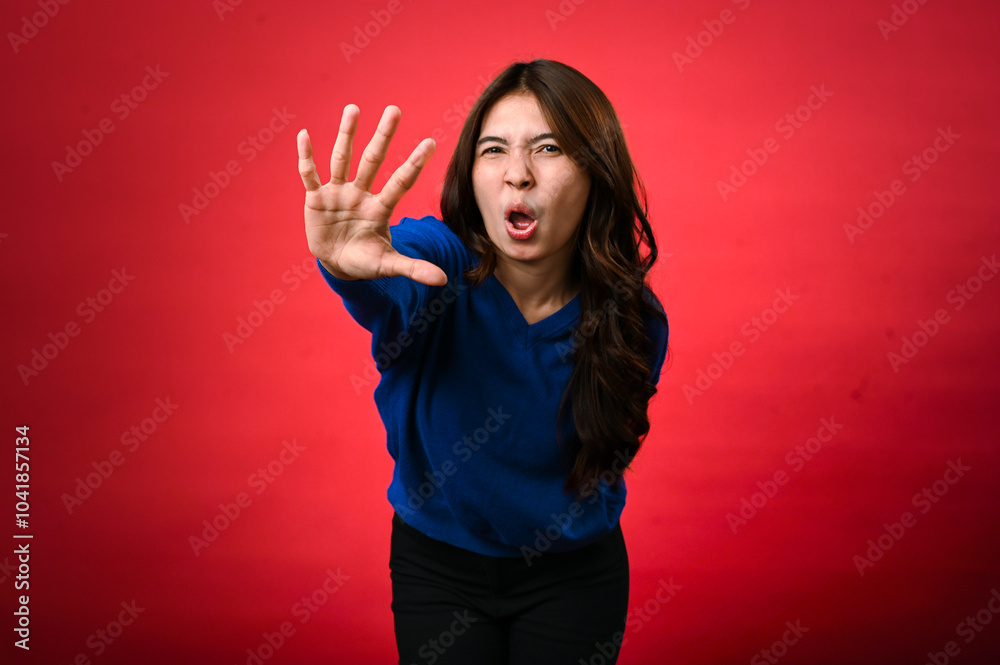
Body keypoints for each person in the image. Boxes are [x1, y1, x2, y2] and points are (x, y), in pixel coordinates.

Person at [296, 59, 669, 665]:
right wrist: (345, 261)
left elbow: (607, 451)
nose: (517, 175)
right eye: (494, 150)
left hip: (575, 575)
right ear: (471, 176)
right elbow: (391, 273)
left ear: (595, 172)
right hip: (439, 570)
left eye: (547, 148)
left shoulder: (635, 322)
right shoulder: (435, 266)